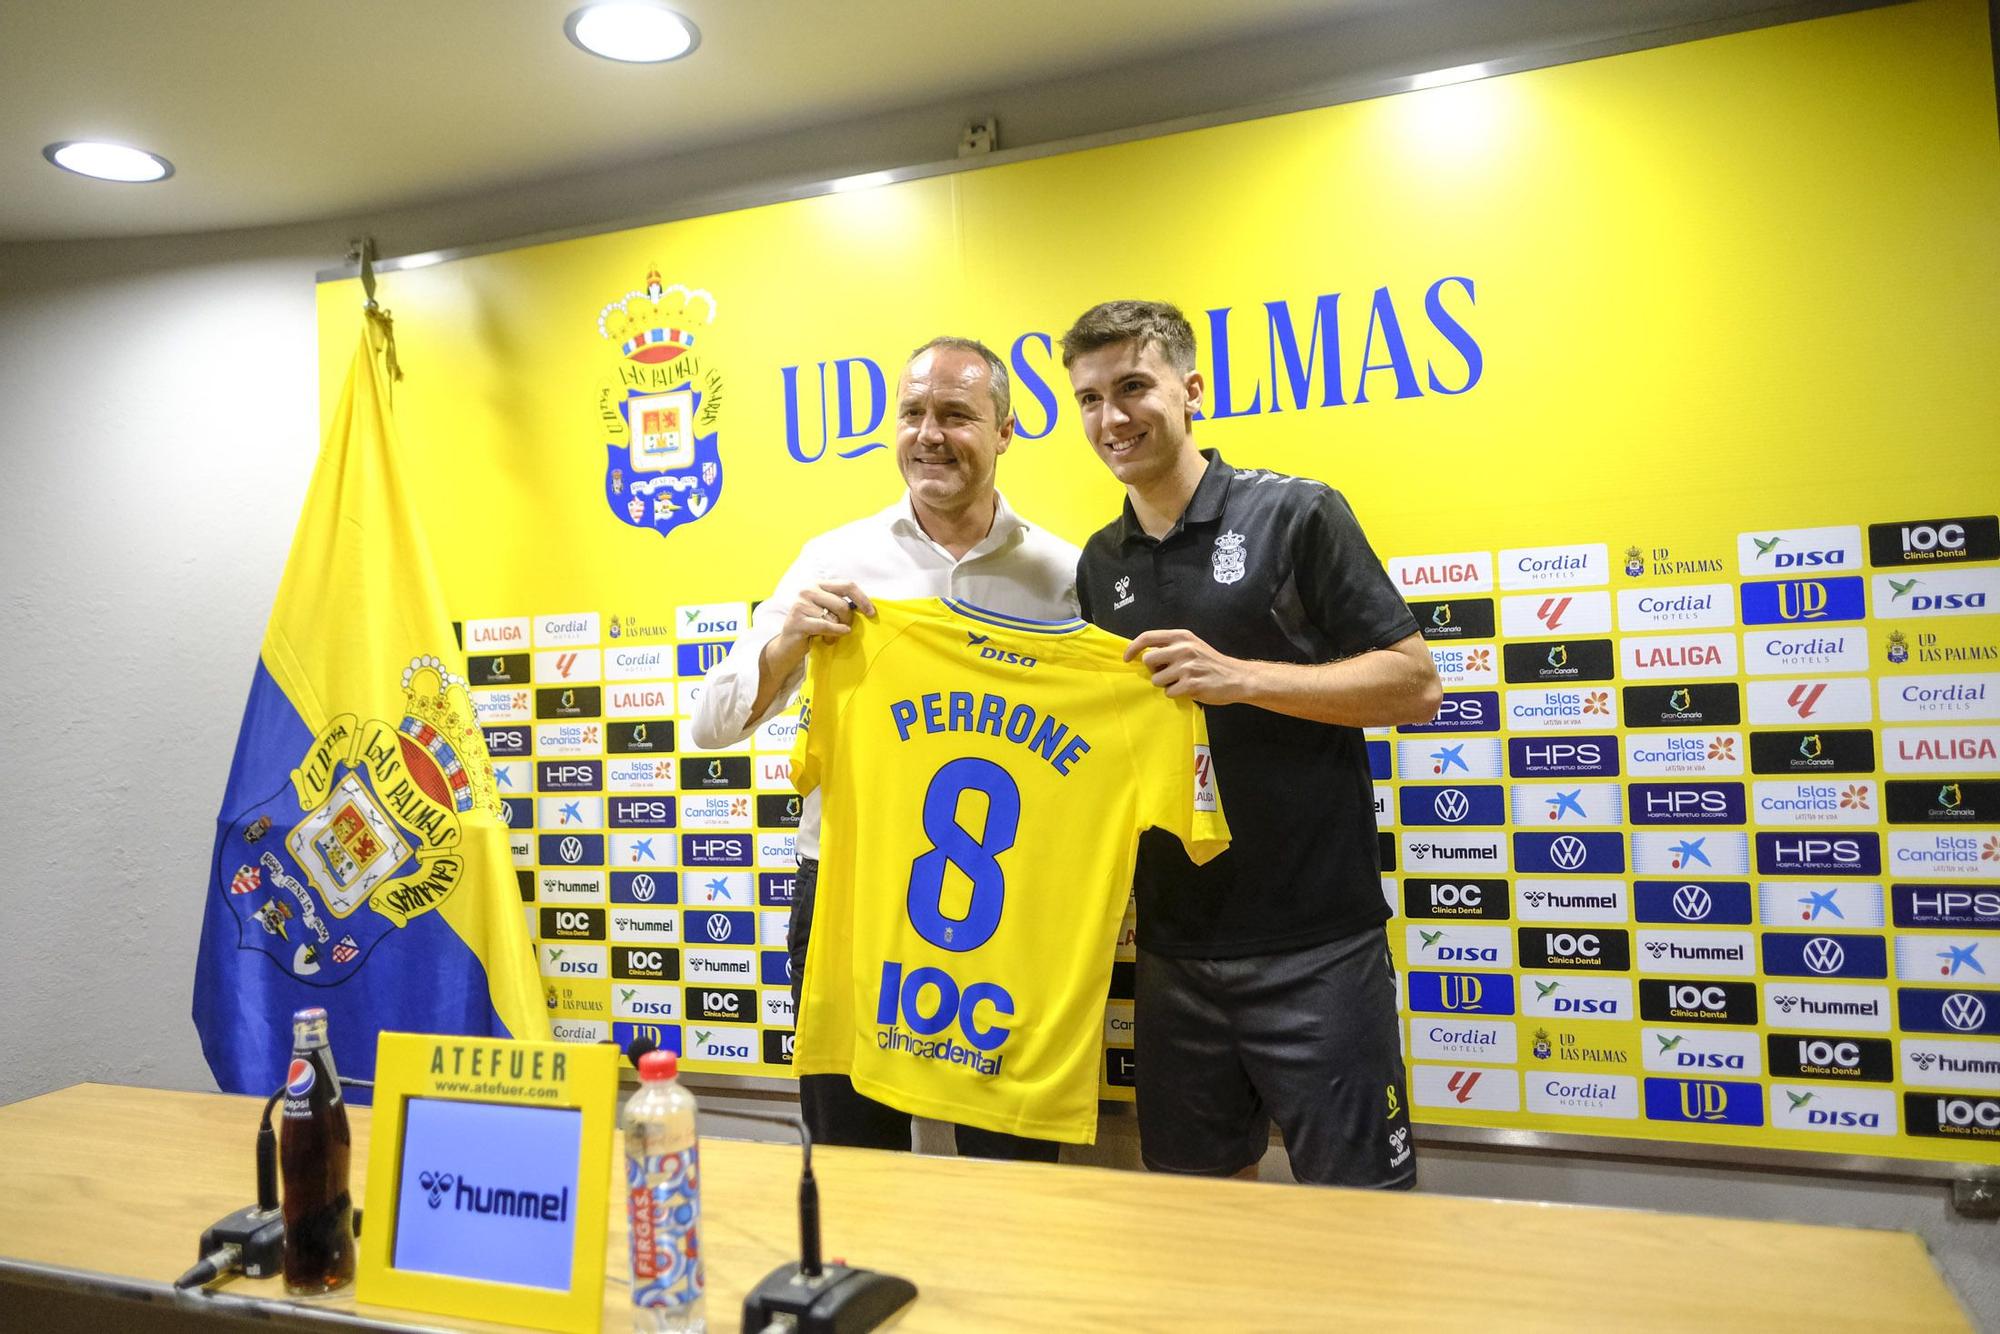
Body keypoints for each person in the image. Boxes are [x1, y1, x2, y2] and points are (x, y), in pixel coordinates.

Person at [1061, 299, 1442, 1187]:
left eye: (1132, 387)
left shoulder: (1298, 514)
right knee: (1200, 1222)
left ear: (1192, 389)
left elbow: (1416, 685)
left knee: (1363, 1223)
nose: (1111, 418)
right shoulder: (1097, 562)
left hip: (1318, 947)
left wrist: (1245, 678)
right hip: (1173, 952)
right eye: (1088, 399)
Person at [688, 336, 1078, 1162]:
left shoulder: (1063, 575)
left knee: (1012, 1153)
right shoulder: (834, 559)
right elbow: (710, 724)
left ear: (1005, 431)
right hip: (850, 892)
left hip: (1005, 902)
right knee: (850, 1148)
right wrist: (789, 640)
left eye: (956, 416)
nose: (929, 435)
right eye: (912, 415)